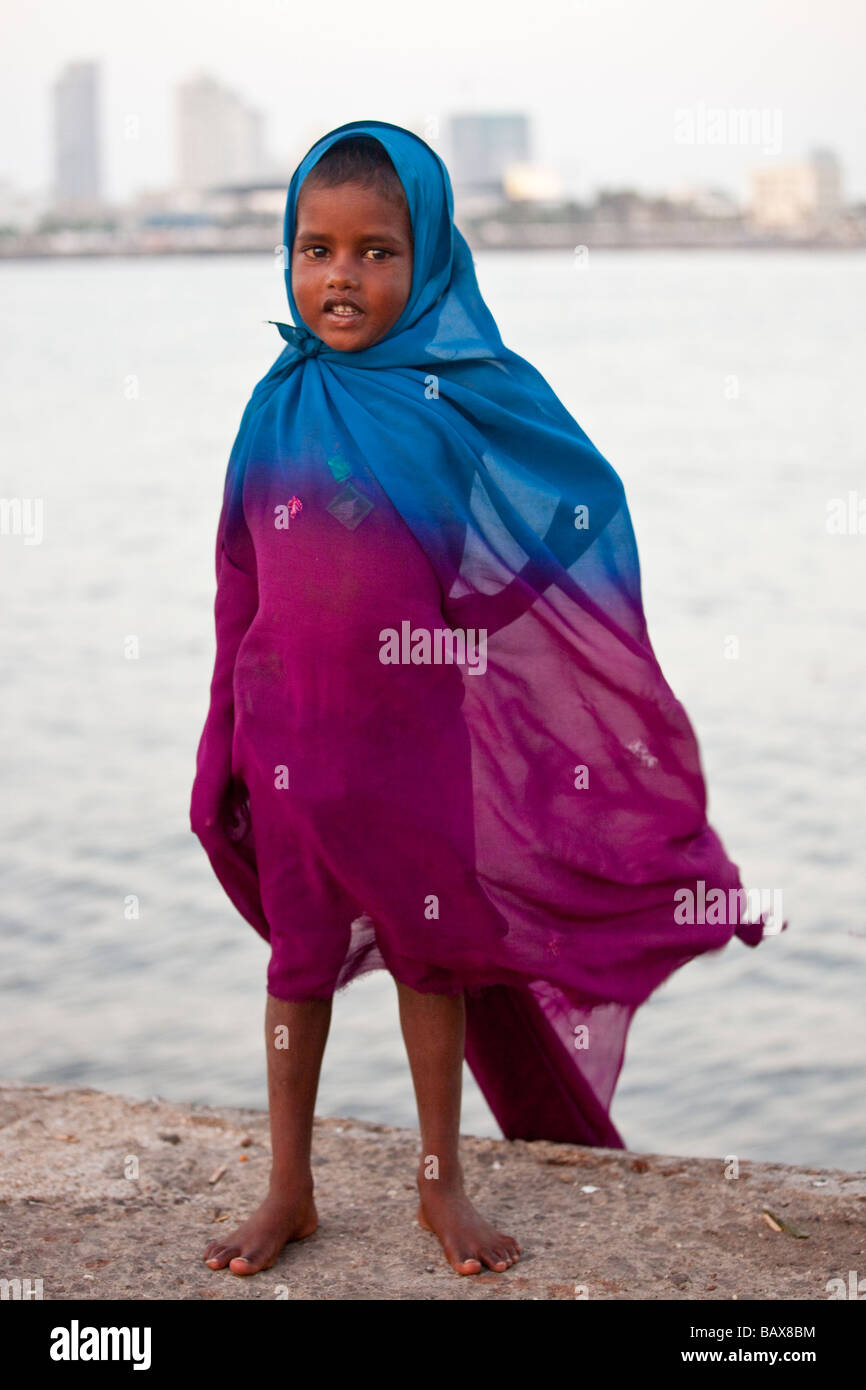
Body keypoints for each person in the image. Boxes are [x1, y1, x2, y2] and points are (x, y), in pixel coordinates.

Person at [191, 120, 781, 1279]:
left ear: (431, 262)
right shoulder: (275, 404)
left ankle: (437, 1187)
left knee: (430, 966)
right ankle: (288, 1188)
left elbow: (572, 506)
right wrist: (223, 732)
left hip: (411, 745)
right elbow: (236, 582)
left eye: (375, 251)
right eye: (316, 249)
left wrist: (468, 625)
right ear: (286, 255)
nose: (341, 277)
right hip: (288, 745)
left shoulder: (451, 397)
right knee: (295, 970)